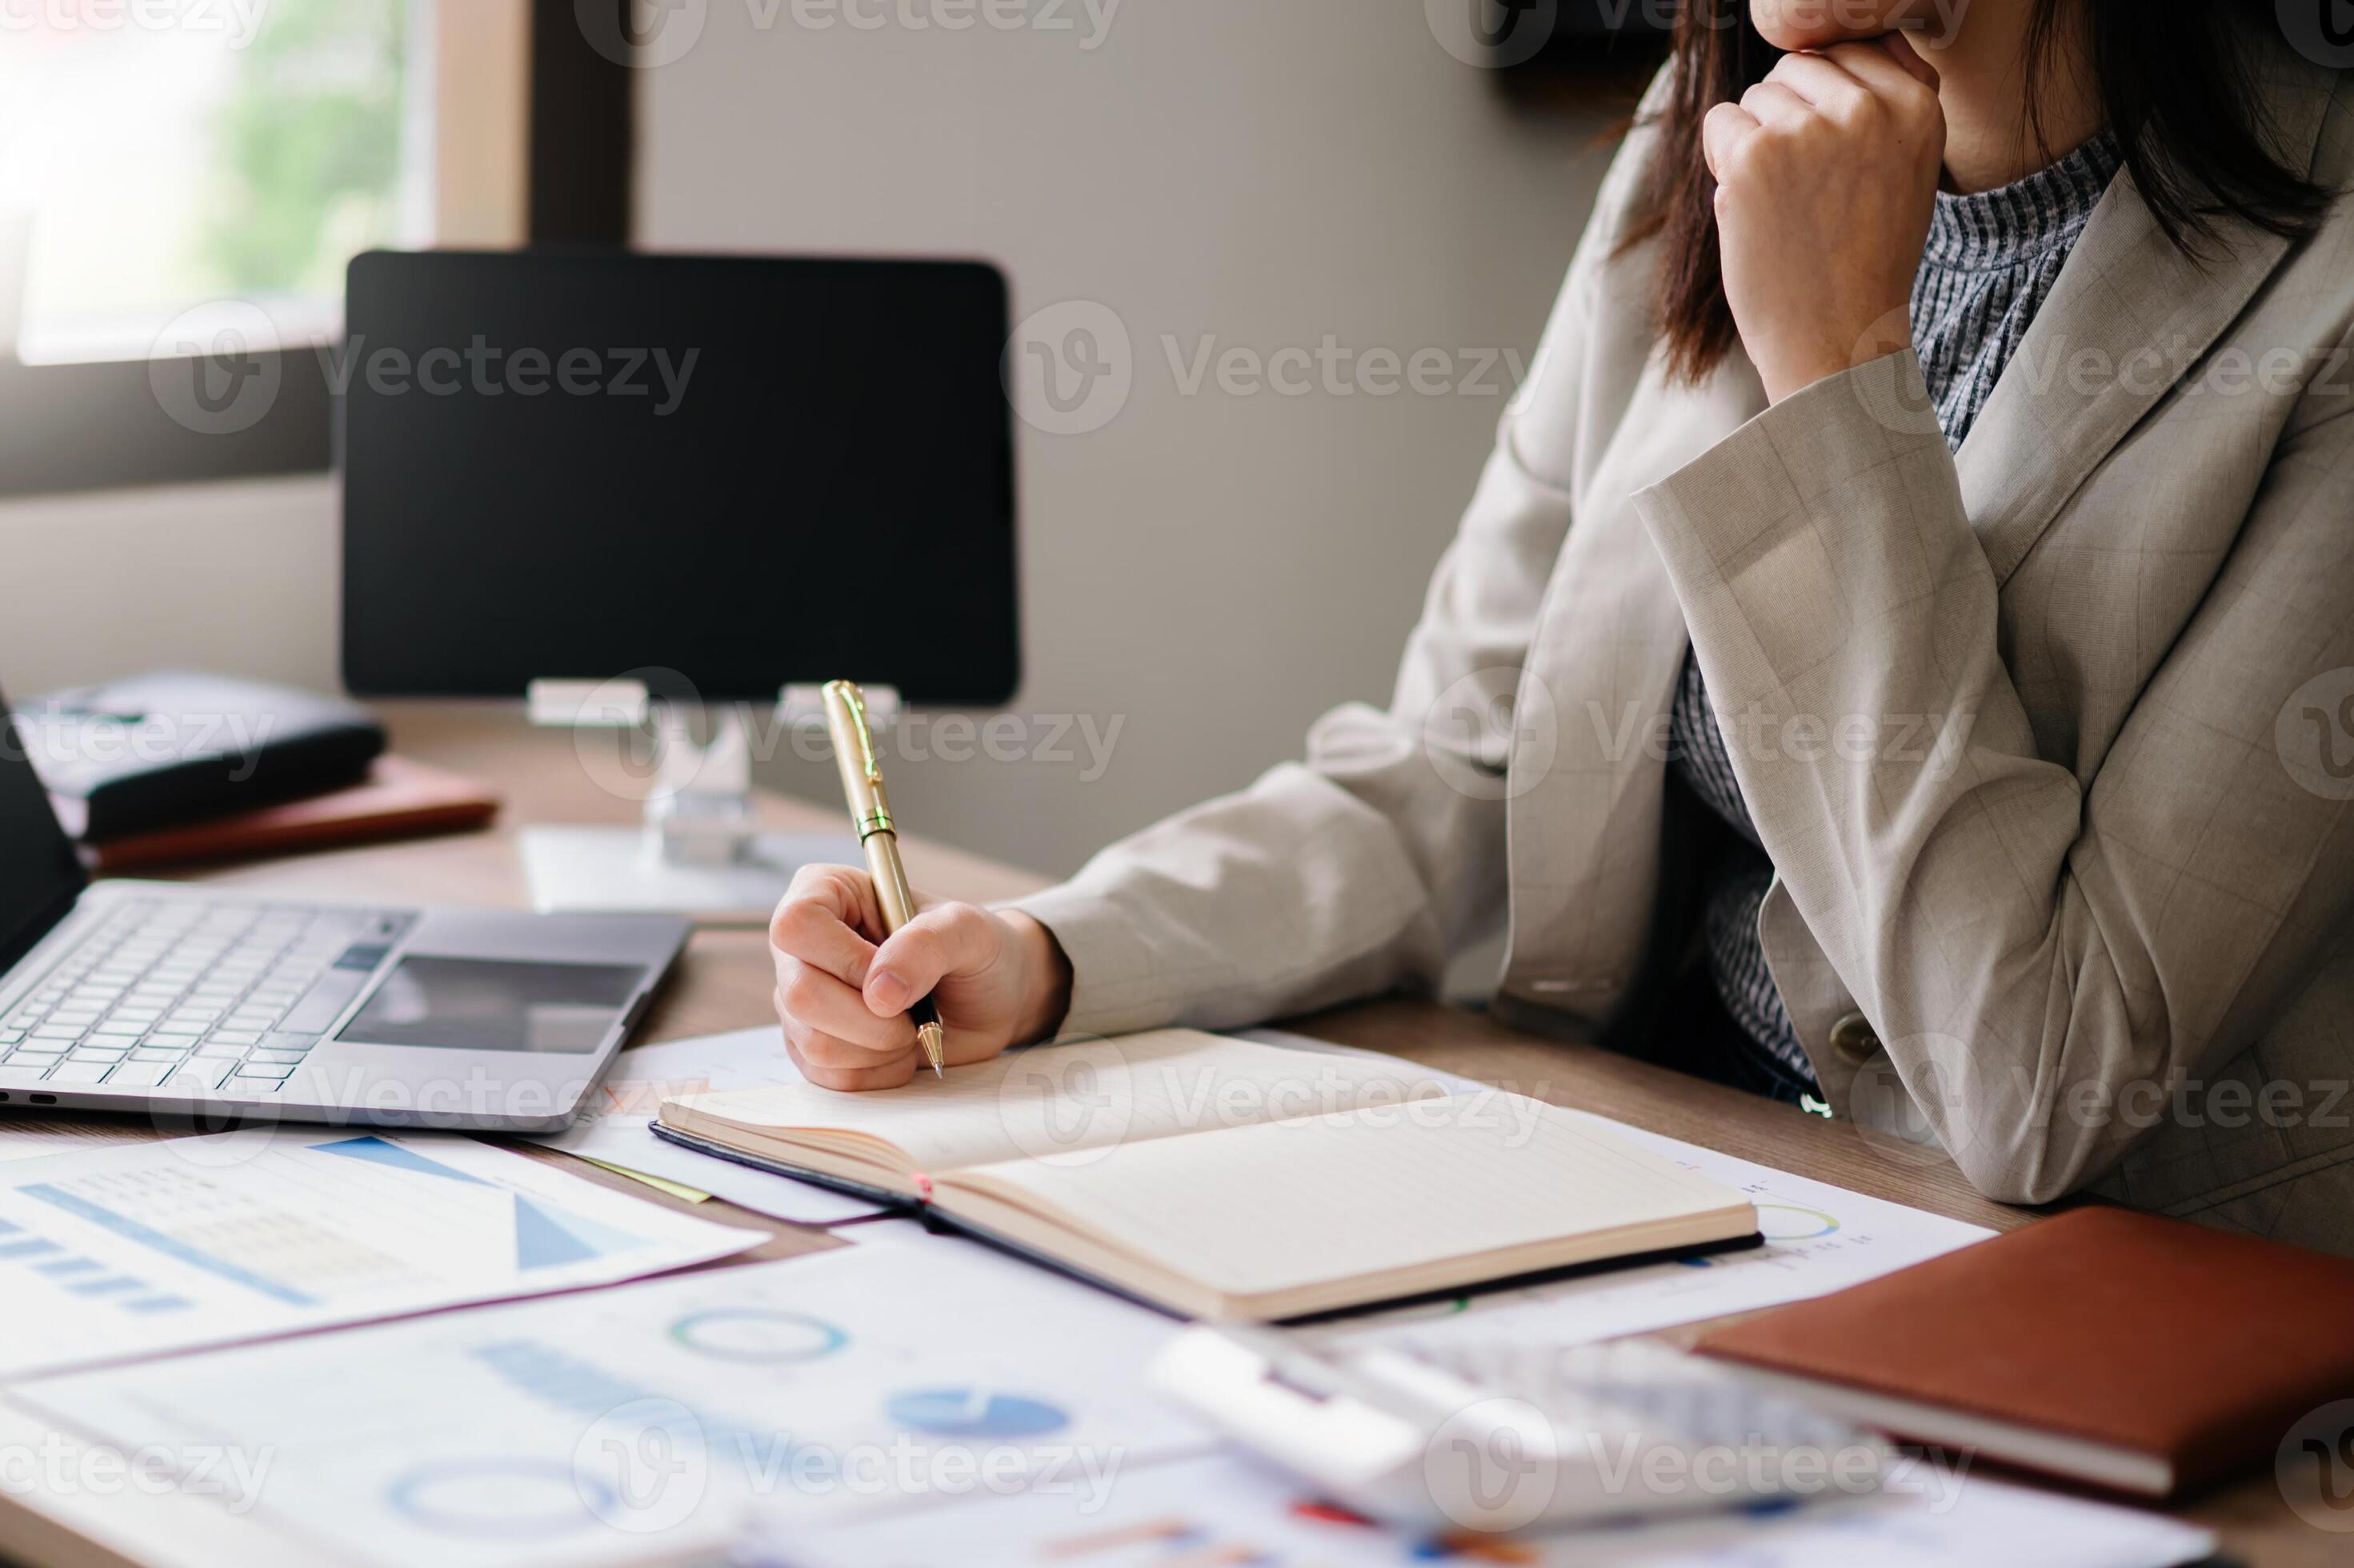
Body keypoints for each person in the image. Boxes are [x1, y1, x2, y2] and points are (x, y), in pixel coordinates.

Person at [769, 0, 2354, 1254]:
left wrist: (1839, 385)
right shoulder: (1698, 148)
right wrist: (1052, 951)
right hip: (1652, 1176)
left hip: (2052, 1292)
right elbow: (1455, 771)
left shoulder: (2323, 289)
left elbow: (2046, 1080)